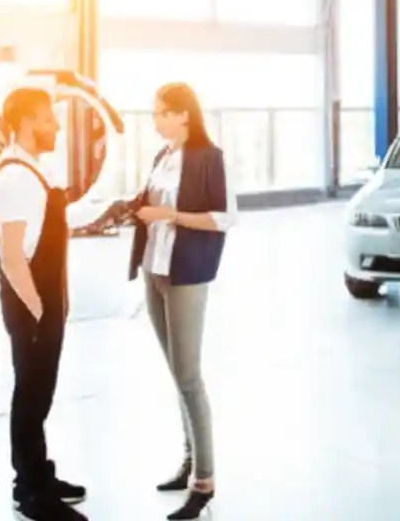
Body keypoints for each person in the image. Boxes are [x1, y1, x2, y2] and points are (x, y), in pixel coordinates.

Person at [127, 82, 236, 521]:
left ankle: (205, 481)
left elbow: (223, 218)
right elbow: (150, 207)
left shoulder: (208, 158)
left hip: (186, 272)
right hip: (155, 270)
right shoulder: (163, 157)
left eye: (160, 113)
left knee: (189, 375)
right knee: (177, 371)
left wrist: (168, 215)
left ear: (183, 115)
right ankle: (190, 460)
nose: (155, 120)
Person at [0, 87, 87, 521]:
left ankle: (37, 475)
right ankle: (31, 493)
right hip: (33, 306)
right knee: (30, 395)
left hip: (43, 302)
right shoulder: (15, 177)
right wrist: (40, 312)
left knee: (38, 393)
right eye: (49, 120)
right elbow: (12, 255)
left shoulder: (31, 171)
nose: (57, 127)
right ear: (27, 124)